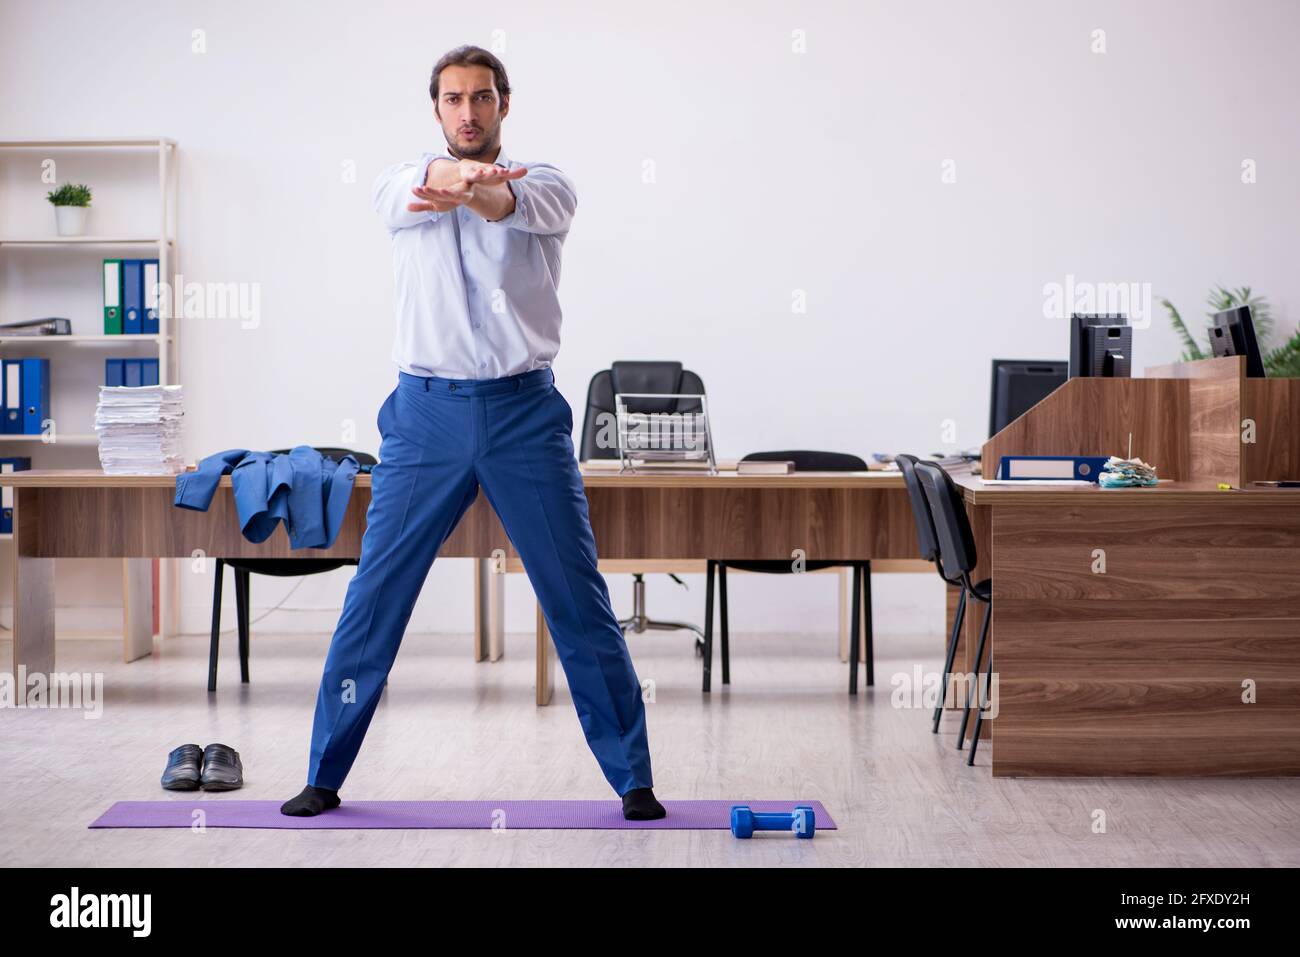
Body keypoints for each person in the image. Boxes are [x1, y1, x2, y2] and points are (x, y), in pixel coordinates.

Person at [280, 45, 665, 821]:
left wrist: (485, 191)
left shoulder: (546, 186)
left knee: (575, 595)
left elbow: (503, 206)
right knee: (377, 593)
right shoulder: (400, 183)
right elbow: (421, 191)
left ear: (504, 105)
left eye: (481, 98)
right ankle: (324, 770)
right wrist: (453, 180)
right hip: (425, 415)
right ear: (436, 111)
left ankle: (633, 778)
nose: (468, 111)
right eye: (453, 99)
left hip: (525, 413)